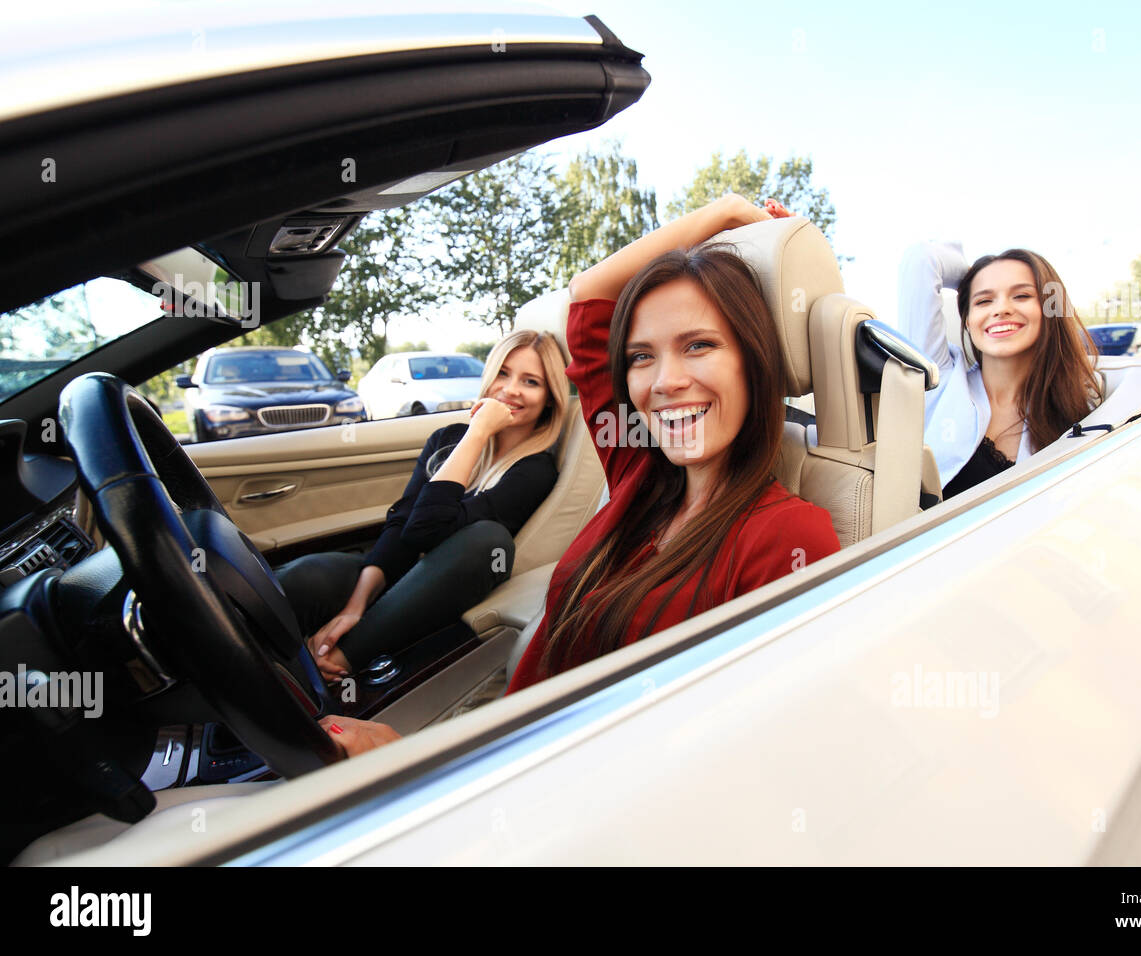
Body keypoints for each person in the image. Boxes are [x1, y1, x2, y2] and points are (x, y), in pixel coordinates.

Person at [320, 194, 842, 756]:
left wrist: (417, 771)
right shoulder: (640, 472)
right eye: (642, 356)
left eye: (699, 345)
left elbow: (726, 764)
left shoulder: (789, 539)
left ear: (756, 359)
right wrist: (725, 212)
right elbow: (590, 297)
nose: (664, 382)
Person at [276, 329, 568, 679]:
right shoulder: (447, 439)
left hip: (442, 591)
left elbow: (427, 530)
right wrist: (356, 605)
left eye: (531, 381)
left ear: (549, 398)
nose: (510, 389)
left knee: (487, 537)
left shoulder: (535, 471)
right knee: (306, 578)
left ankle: (339, 661)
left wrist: (477, 432)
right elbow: (402, 523)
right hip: (402, 571)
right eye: (503, 373)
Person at [897, 241, 1101, 500]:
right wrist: (973, 273)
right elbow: (921, 259)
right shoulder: (938, 375)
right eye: (984, 301)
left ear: (1050, 310)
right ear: (968, 321)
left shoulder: (1080, 404)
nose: (1001, 309)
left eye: (1022, 296)